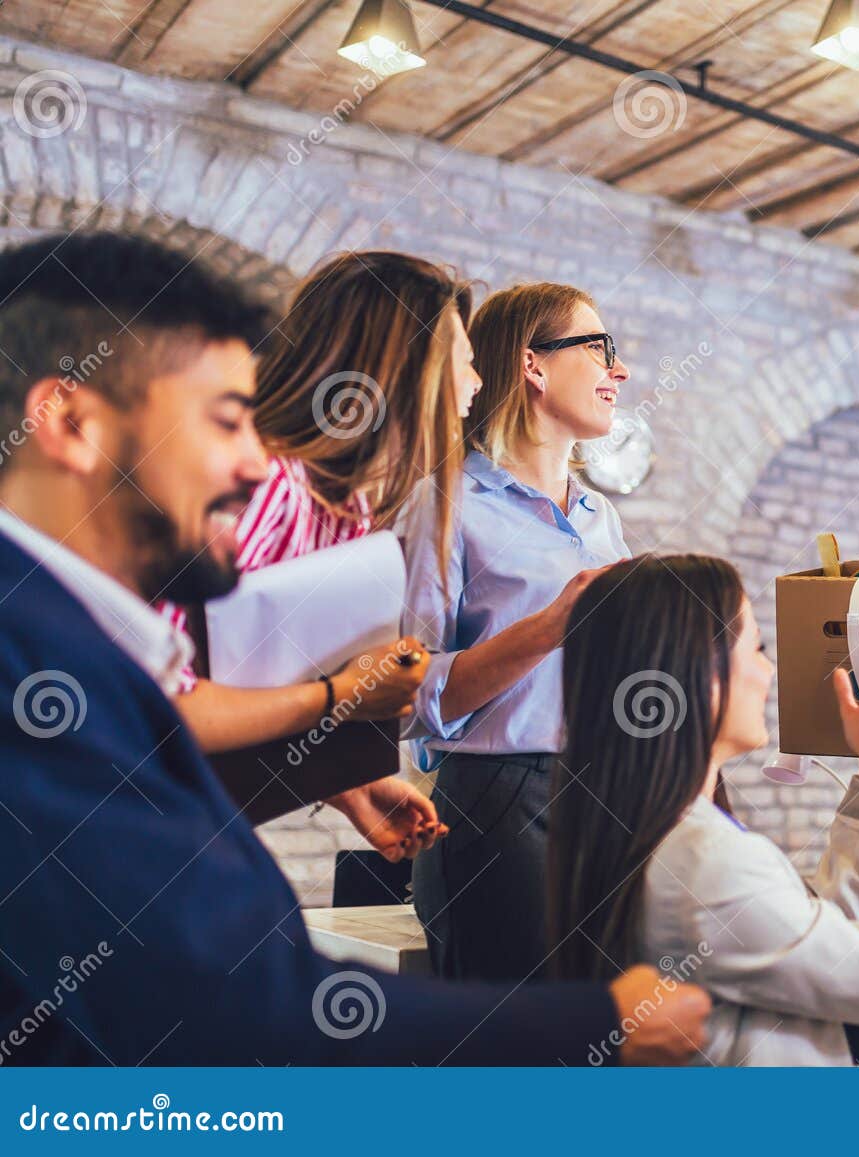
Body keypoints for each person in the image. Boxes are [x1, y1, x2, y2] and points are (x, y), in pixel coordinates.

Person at [0, 232, 708, 1064]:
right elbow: (245, 996)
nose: (250, 459)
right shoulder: (45, 665)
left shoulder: (92, 633)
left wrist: (348, 777)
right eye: (228, 420)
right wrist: (344, 699)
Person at [545, 554, 859, 1066]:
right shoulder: (706, 864)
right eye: (755, 647)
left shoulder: (655, 835)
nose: (768, 669)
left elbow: (807, 941)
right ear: (698, 673)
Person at [161, 250, 483, 862]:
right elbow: (158, 707)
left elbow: (252, 682)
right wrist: (341, 695)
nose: (476, 386)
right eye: (464, 366)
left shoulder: (351, 513)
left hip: (195, 828)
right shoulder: (258, 487)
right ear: (409, 372)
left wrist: (347, 786)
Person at [402, 282, 630, 982]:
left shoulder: (601, 518)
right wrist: (548, 627)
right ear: (534, 364)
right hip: (498, 806)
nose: (618, 372)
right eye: (600, 349)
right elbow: (406, 692)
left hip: (608, 796)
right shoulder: (445, 503)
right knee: (521, 1059)